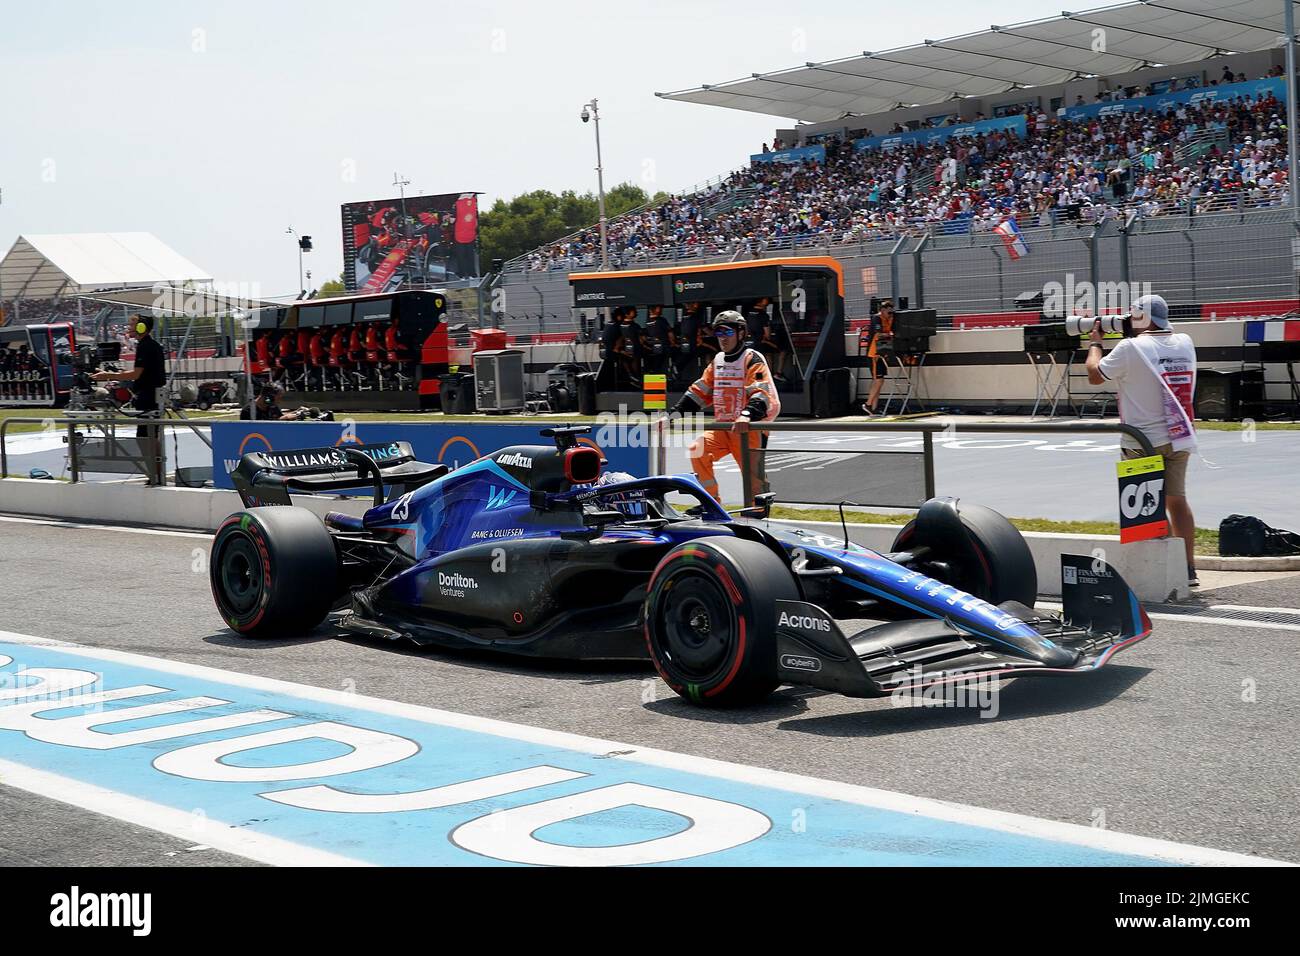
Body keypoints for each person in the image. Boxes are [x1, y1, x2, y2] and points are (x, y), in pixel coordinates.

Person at [1086, 293, 1200, 586]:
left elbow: (1095, 375)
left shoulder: (1129, 348)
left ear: (1139, 316)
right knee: (1177, 500)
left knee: (1146, 507)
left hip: (1140, 441)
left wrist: (1095, 344)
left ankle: (1154, 572)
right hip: (1179, 435)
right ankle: (1187, 569)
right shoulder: (1185, 342)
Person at [669, 311, 781, 504]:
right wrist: (672, 415)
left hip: (749, 429)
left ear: (741, 333)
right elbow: (699, 391)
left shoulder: (752, 358)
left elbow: (762, 392)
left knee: (753, 478)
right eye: (718, 333)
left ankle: (759, 513)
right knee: (698, 449)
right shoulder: (718, 361)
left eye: (727, 333)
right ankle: (711, 502)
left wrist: (747, 415)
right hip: (723, 428)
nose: (722, 338)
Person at [92, 313, 166, 483]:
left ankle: (155, 475)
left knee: (146, 437)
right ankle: (155, 474)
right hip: (149, 395)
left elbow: (135, 374)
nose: (128, 328)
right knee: (148, 437)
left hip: (149, 397)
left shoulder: (146, 346)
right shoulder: (148, 345)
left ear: (142, 327)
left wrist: (107, 376)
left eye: (132, 325)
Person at [860, 298, 895, 415]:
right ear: (883, 310)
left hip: (883, 352)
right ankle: (868, 404)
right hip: (874, 353)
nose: (890, 314)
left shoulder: (889, 319)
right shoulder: (877, 319)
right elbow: (878, 333)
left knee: (880, 380)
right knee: (878, 379)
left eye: (891, 311)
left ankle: (874, 408)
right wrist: (889, 334)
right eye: (888, 311)